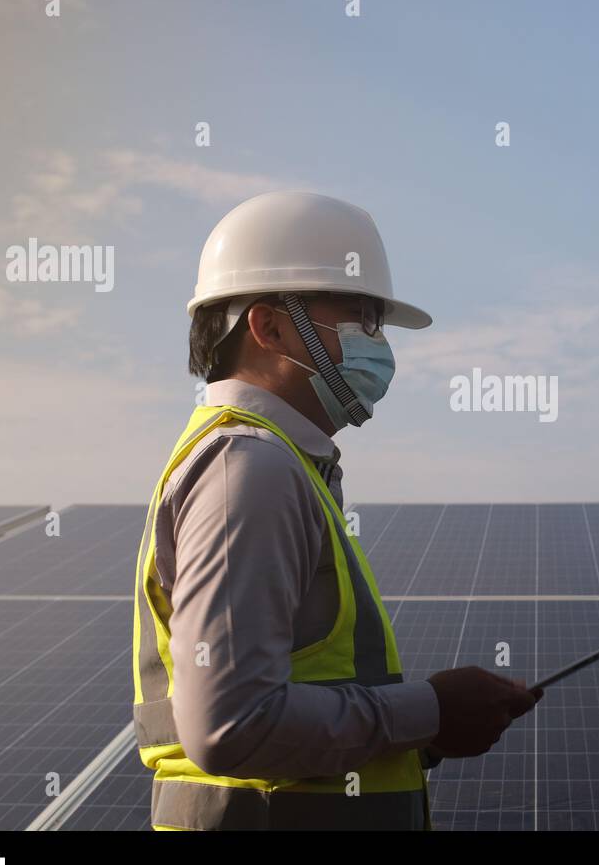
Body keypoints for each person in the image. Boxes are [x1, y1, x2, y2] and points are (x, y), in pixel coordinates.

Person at [131, 190, 538, 830]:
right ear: (268, 327)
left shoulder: (276, 463)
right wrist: (429, 711)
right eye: (361, 318)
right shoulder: (250, 471)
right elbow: (230, 727)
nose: (378, 344)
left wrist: (420, 735)